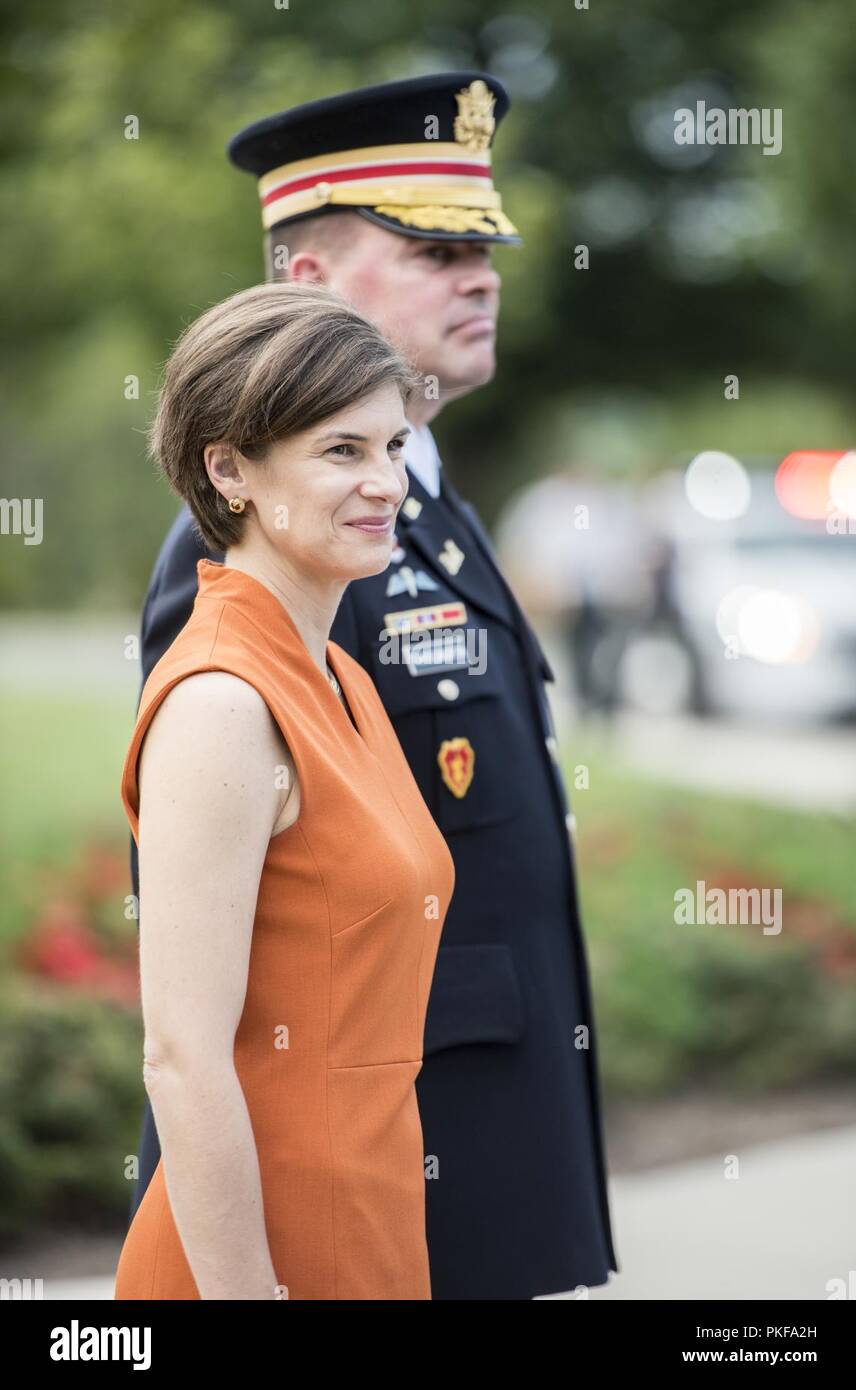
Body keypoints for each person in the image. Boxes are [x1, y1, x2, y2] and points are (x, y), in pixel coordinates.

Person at [129, 70, 619, 1300]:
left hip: (427, 1131)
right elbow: (199, 1015)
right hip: (325, 1159)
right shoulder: (246, 566)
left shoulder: (409, 518)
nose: (483, 275)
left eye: (485, 250)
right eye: (433, 248)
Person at [115, 281, 455, 1299]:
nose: (386, 482)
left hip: (370, 1205)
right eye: (340, 451)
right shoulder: (223, 700)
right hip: (263, 1246)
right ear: (229, 469)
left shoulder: (338, 675)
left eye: (392, 447)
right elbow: (180, 1055)